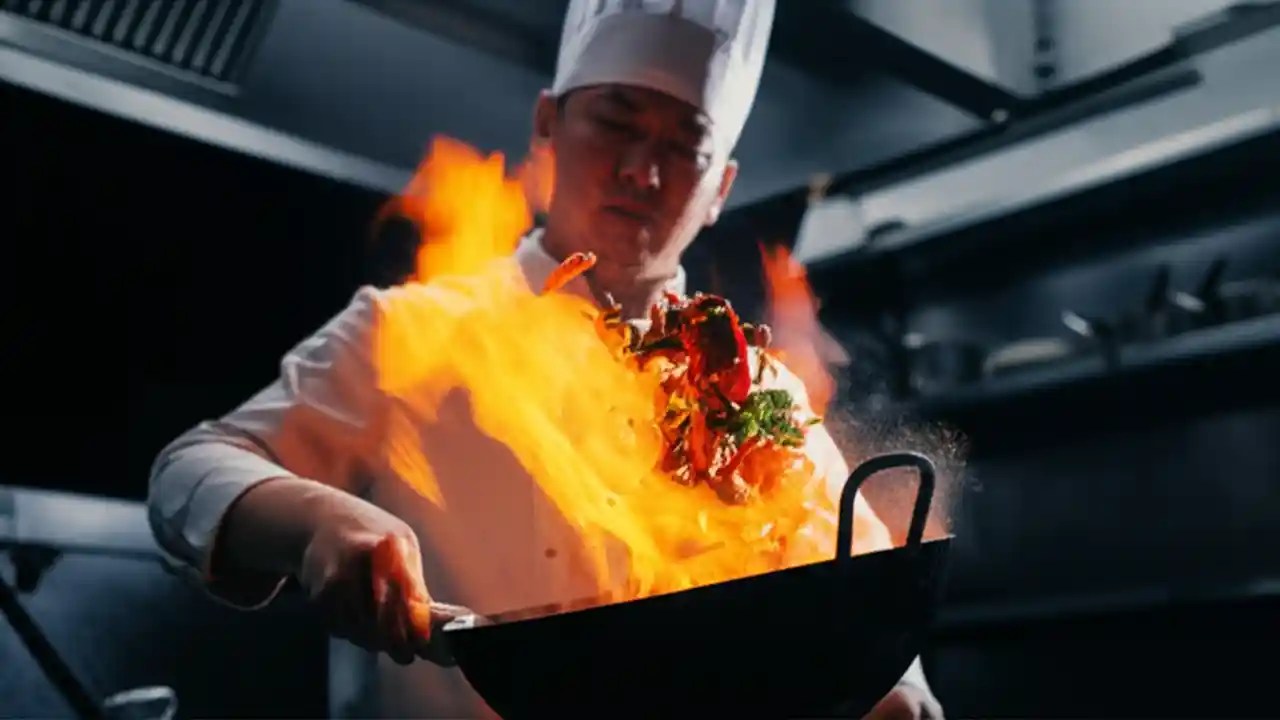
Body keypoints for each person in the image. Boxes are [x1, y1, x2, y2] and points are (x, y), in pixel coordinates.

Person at [146, 1, 945, 718]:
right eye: (617, 121)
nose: (644, 169)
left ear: (721, 189)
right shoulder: (420, 328)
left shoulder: (753, 388)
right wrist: (318, 523)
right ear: (546, 126)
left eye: (685, 145)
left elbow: (864, 602)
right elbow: (190, 470)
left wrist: (898, 697)